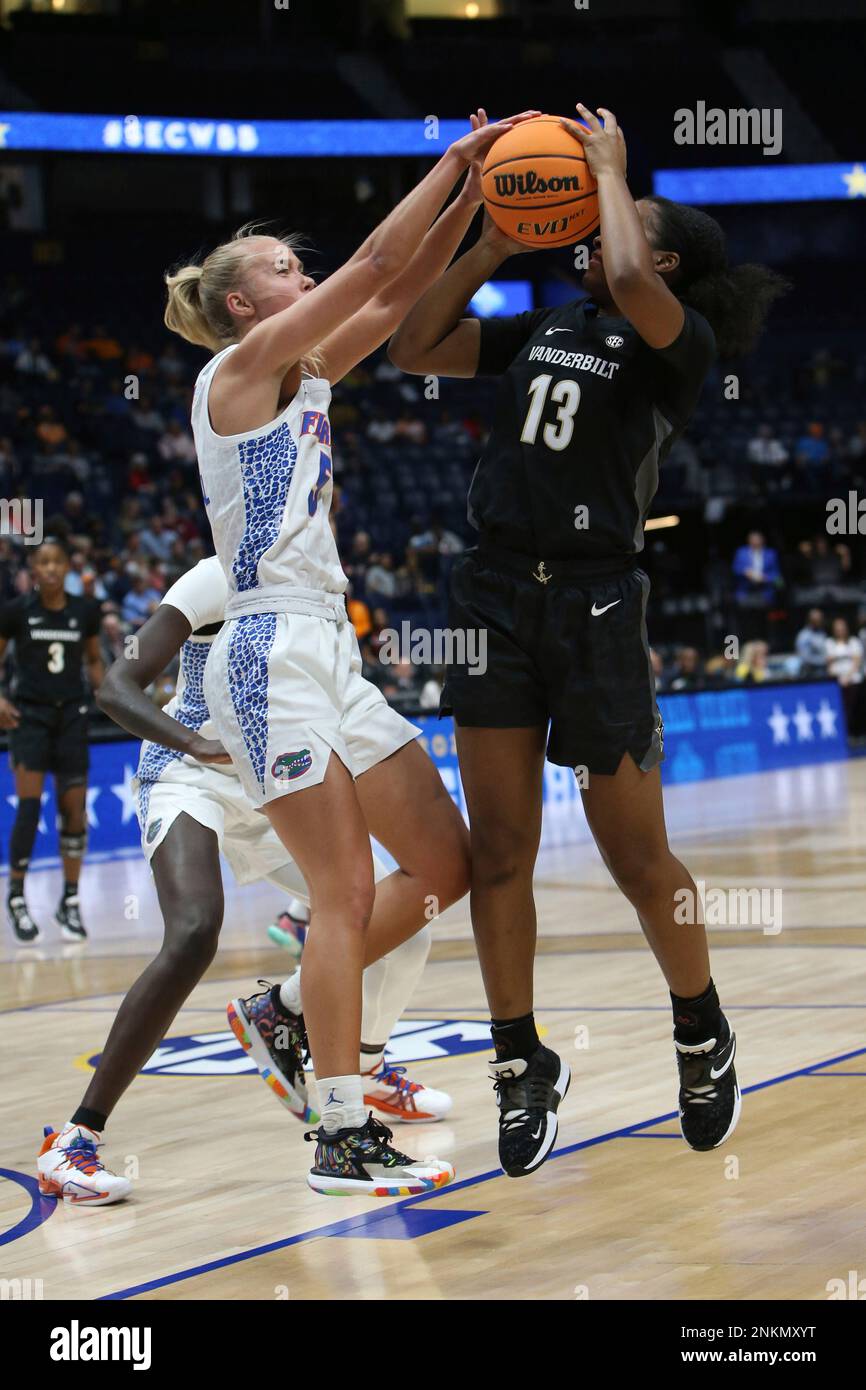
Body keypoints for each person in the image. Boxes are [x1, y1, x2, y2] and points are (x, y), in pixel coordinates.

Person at [389, 103, 787, 1177]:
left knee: (633, 854)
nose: (594, 227)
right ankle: (521, 1066)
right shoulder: (541, 327)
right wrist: (487, 240)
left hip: (598, 604)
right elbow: (413, 341)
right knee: (498, 850)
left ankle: (699, 1030)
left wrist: (609, 168)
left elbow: (630, 270)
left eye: (623, 217)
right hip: (492, 596)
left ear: (655, 250)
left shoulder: (676, 344)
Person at [160, 109, 536, 1195]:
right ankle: (335, 1135)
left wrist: (479, 217)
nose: (304, 272)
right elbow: (376, 261)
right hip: (268, 649)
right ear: (244, 302)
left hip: (331, 648)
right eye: (284, 267)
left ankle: (282, 1011)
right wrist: (457, 163)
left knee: (446, 863)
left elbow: (390, 291)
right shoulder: (237, 371)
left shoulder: (305, 371)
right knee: (339, 892)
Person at [36, 558, 452, 1206]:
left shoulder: (319, 588)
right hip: (188, 773)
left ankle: (357, 1064)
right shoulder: (217, 577)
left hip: (271, 788)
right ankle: (75, 1137)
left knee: (397, 915)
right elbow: (116, 687)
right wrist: (197, 745)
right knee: (196, 931)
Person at [0, 537, 103, 943]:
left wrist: (112, 696)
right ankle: (16, 896)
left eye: (58, 562)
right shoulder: (15, 612)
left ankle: (71, 901)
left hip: (72, 716)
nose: (52, 569)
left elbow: (94, 661)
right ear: (33, 569)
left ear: (67, 568)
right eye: (43, 562)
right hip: (30, 717)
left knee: (74, 810)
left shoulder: (85, 611)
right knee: (29, 808)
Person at [795, 608, 828, 679]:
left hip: (823, 672)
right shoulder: (804, 635)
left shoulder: (822, 633)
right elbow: (805, 658)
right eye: (817, 620)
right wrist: (824, 660)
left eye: (820, 619)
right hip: (809, 674)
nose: (820, 621)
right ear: (811, 620)